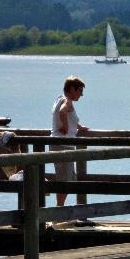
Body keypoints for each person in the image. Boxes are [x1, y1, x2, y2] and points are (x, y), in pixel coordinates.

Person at [50, 76, 90, 207]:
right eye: (80, 91)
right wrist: (66, 127)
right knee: (64, 180)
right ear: (72, 89)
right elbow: (62, 112)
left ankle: (59, 210)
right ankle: (59, 212)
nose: (81, 94)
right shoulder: (67, 101)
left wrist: (80, 127)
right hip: (64, 144)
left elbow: (67, 116)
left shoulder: (60, 98)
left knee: (67, 178)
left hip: (59, 143)